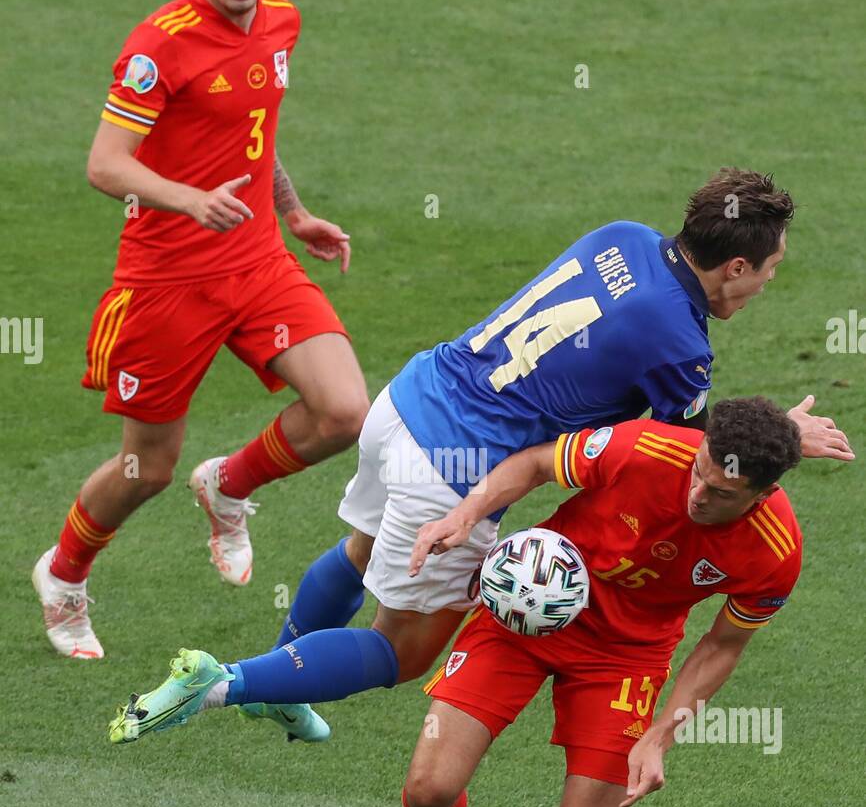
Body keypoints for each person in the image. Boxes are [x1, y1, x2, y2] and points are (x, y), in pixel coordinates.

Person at [106, 171, 850, 739]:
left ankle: (283, 689)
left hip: (412, 395)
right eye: (771, 269)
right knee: (401, 652)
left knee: (361, 552)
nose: (769, 283)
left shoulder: (622, 235)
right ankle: (221, 683)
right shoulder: (682, 344)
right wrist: (784, 431)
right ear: (738, 268)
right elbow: (682, 450)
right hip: (455, 465)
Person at [33, 0, 368, 661]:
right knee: (146, 467)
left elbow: (255, 126)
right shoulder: (159, 46)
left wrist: (291, 211)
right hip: (167, 281)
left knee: (344, 412)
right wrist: (186, 199)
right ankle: (64, 573)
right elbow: (105, 164)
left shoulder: (281, 21)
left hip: (257, 259)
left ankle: (231, 486)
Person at [399, 398, 806, 807]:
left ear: (760, 493)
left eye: (721, 493)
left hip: (626, 657)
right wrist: (466, 514)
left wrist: (660, 738)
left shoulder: (774, 551)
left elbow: (722, 645)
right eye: (698, 472)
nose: (699, 494)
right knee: (427, 791)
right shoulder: (642, 447)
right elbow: (536, 463)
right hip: (526, 612)